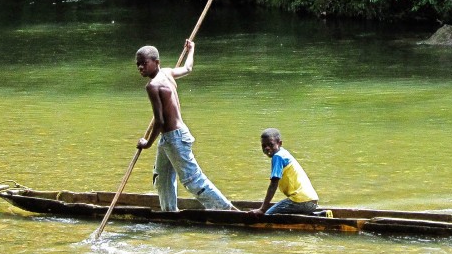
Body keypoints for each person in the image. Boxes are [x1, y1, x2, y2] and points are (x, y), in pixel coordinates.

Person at [135, 40, 238, 212]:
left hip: (174, 138)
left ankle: (226, 209)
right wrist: (192, 50)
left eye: (144, 63)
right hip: (171, 138)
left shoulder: (152, 86)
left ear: (156, 62)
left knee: (192, 180)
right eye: (138, 65)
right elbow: (188, 68)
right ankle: (169, 212)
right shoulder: (167, 73)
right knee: (162, 178)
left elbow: (159, 122)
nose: (141, 67)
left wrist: (147, 143)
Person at [249, 128, 319, 216]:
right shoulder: (284, 153)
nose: (267, 148)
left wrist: (262, 209)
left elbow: (273, 184)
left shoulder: (278, 157)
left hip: (300, 201)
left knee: (268, 215)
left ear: (280, 143)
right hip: (311, 202)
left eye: (271, 145)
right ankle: (320, 215)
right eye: (264, 146)